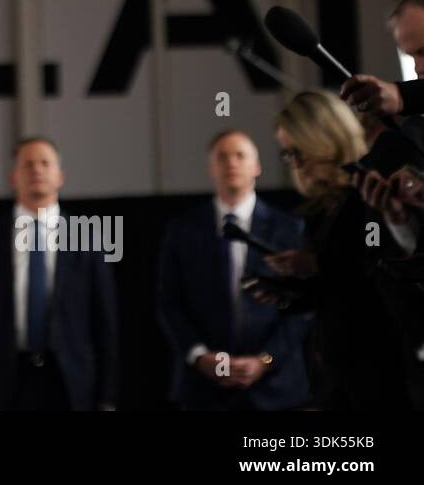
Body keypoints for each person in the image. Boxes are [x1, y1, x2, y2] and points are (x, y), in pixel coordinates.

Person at [261, 91, 413, 409]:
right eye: (288, 154)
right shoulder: (320, 209)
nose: (297, 163)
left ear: (326, 138)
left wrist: (316, 266)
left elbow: (381, 278)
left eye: (300, 150)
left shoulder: (370, 194)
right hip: (334, 378)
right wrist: (289, 292)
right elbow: (330, 293)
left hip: (378, 371)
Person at [0, 138, 118, 410]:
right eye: (27, 164)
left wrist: (108, 398)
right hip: (2, 383)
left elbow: (105, 323)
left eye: (45, 163)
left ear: (60, 176)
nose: (36, 170)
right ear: (13, 177)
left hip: (71, 384)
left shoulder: (89, 240)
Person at [156, 130, 309, 409]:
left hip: (276, 390)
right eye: (222, 157)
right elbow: (169, 303)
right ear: (211, 167)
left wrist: (265, 360)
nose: (231, 163)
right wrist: (200, 357)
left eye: (240, 155)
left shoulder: (289, 228)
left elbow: (303, 305)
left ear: (257, 166)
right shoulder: (182, 230)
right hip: (203, 390)